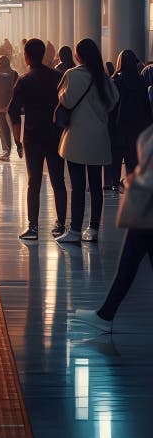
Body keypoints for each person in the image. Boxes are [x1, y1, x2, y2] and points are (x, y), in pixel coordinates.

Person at [74, 124, 153, 332]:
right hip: (146, 208)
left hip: (147, 207)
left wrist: (135, 181)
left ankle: (106, 315)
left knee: (129, 261)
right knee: (129, 261)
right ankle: (105, 314)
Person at [56, 38, 119, 243]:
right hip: (99, 138)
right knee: (95, 184)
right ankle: (93, 229)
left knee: (77, 186)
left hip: (76, 138)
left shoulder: (72, 75)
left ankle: (74, 230)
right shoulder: (105, 78)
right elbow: (112, 102)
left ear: (78, 55)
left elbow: (64, 100)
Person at [8, 38, 68, 240]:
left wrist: (17, 141)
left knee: (34, 182)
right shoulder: (58, 77)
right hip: (55, 135)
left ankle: (33, 227)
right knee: (58, 181)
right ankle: (60, 225)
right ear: (44, 54)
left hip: (33, 137)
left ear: (26, 55)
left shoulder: (24, 81)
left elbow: (13, 112)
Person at [108, 50, 152, 191]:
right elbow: (146, 109)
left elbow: (110, 107)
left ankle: (113, 188)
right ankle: (129, 192)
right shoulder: (140, 82)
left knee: (114, 165)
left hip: (116, 131)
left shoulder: (115, 81)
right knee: (132, 167)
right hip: (135, 133)